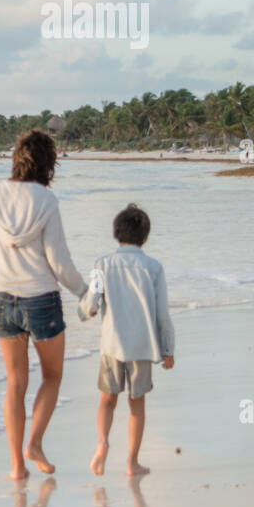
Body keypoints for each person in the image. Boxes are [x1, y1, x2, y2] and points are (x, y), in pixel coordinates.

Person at [0, 130, 88, 480]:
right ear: (48, 163)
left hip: (2, 300)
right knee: (52, 376)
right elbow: (58, 261)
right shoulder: (46, 201)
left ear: (16, 158)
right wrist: (83, 291)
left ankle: (16, 466)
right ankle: (34, 443)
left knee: (15, 382)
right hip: (41, 300)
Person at [77, 204, 174, 477]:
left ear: (116, 233)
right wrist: (168, 349)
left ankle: (103, 443)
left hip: (112, 345)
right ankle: (132, 463)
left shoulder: (103, 264)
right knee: (137, 404)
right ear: (145, 236)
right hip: (142, 347)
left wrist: (84, 312)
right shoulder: (154, 267)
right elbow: (162, 313)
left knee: (107, 399)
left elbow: (91, 302)